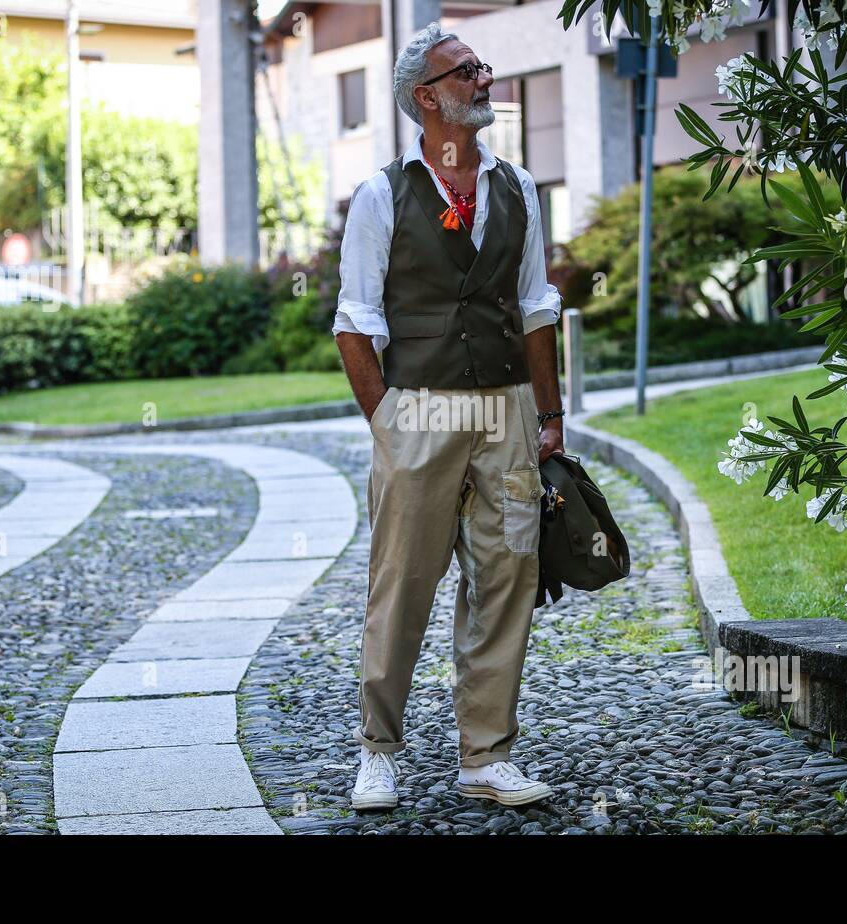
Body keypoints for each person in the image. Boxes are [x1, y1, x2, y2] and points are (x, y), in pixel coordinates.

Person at [333, 22, 566, 810]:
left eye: (482, 67)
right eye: (467, 71)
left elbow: (536, 308)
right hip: (419, 408)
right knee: (402, 584)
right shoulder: (380, 195)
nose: (484, 80)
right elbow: (354, 322)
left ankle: (486, 756)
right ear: (426, 97)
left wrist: (550, 414)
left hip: (506, 409)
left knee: (507, 579)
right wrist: (388, 421)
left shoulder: (518, 187)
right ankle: (377, 749)